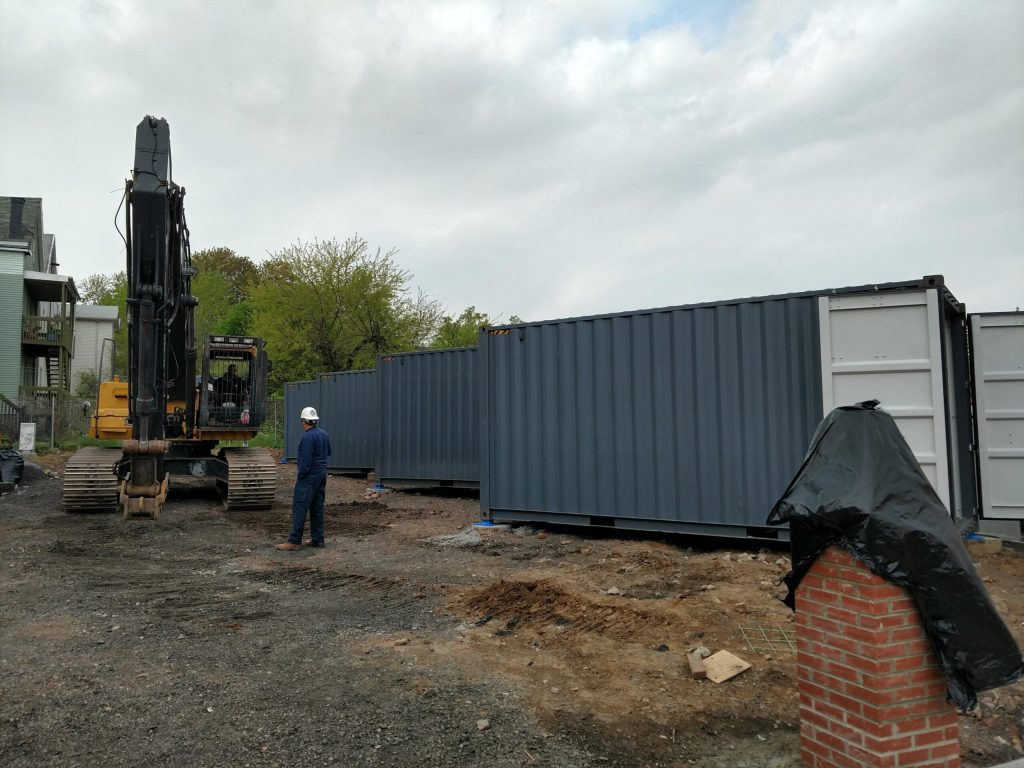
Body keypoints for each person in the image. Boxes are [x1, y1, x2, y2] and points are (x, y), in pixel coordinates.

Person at [277, 406, 332, 551]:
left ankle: (294, 541)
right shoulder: (324, 434)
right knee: (317, 507)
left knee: (300, 506)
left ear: (304, 421)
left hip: (309, 476)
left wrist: (301, 475)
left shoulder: (307, 437)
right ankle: (318, 540)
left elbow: (305, 462)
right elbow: (328, 452)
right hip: (321, 474)